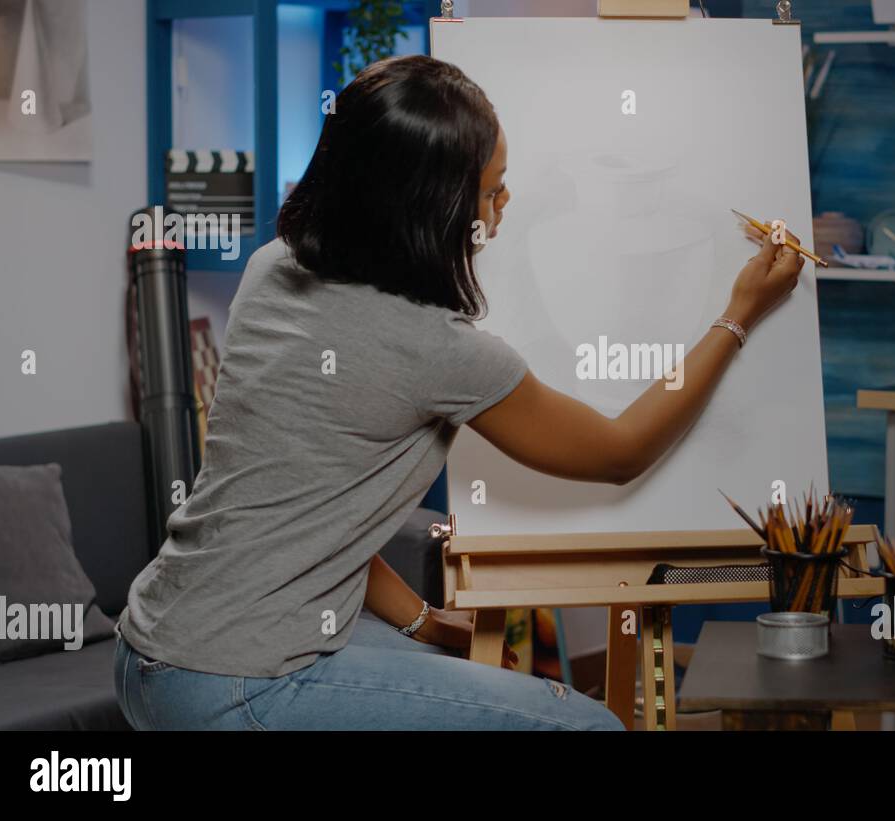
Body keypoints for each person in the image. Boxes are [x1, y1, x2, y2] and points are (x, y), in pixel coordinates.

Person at [114, 54, 803, 731]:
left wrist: (421, 619)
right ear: (432, 207)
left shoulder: (272, 270)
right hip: (236, 685)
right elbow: (620, 450)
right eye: (491, 191)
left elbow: (309, 508)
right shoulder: (438, 351)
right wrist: (738, 313)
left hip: (149, 650)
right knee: (587, 724)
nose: (503, 207)